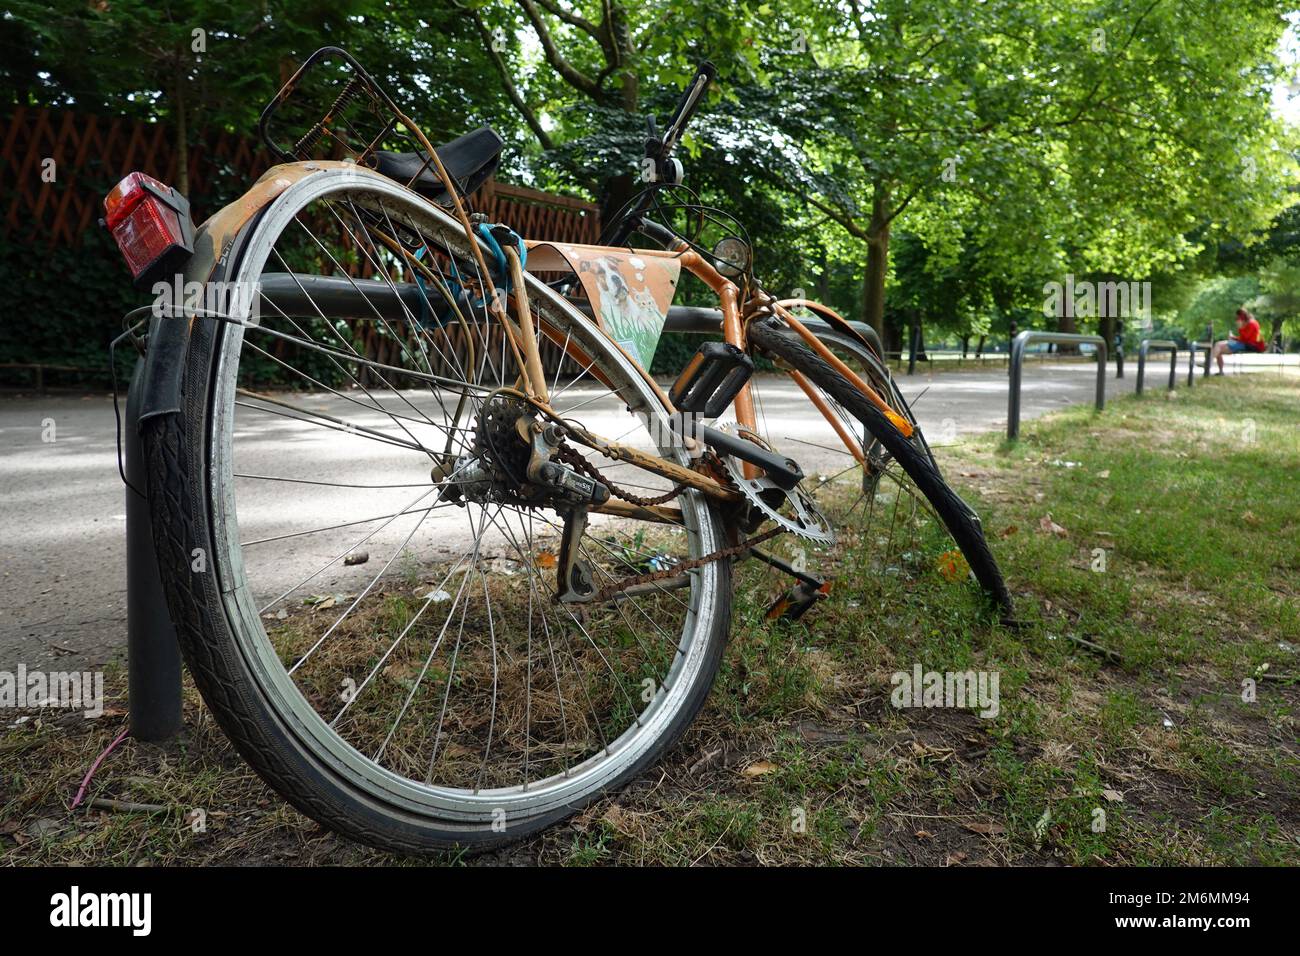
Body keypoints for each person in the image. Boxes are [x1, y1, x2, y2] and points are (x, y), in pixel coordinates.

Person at [1210, 308, 1267, 374]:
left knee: (1218, 348)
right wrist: (1233, 337)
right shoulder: (1248, 323)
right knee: (1218, 346)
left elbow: (1245, 338)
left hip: (1250, 345)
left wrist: (1240, 328)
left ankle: (1208, 364)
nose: (1238, 320)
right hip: (1244, 343)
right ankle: (1218, 370)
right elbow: (1243, 338)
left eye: (1238, 318)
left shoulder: (1252, 324)